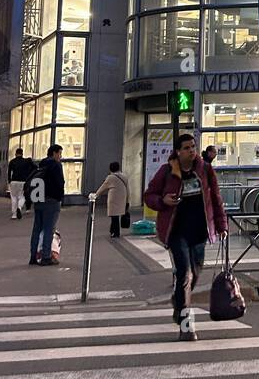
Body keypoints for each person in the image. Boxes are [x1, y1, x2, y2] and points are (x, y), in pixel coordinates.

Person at [145, 134, 228, 340]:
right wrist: (163, 201)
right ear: (178, 151)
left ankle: (178, 301)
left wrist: (221, 225)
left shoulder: (205, 170)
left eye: (193, 146)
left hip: (200, 230)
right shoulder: (167, 172)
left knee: (196, 274)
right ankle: (186, 325)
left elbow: (216, 198)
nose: (192, 150)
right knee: (184, 273)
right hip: (176, 231)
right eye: (187, 147)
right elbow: (149, 196)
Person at [27, 144, 64, 265]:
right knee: (49, 229)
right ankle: (45, 257)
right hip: (51, 201)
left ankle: (33, 256)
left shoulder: (41, 164)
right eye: (59, 153)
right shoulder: (55, 165)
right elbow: (60, 183)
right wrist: (60, 198)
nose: (60, 156)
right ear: (54, 153)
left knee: (37, 229)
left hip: (39, 200)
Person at [91, 160, 129, 239]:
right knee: (116, 216)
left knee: (114, 216)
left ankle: (115, 232)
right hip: (123, 198)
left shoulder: (110, 177)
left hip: (114, 199)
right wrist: (128, 200)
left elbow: (103, 187)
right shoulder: (124, 176)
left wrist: (96, 195)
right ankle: (113, 231)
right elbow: (128, 189)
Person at [7, 147, 34, 221]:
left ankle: (14, 214)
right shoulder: (25, 161)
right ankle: (19, 207)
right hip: (23, 181)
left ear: (15, 154)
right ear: (22, 154)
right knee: (22, 197)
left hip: (13, 181)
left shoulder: (12, 162)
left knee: (13, 197)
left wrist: (9, 181)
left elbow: (9, 172)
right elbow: (33, 167)